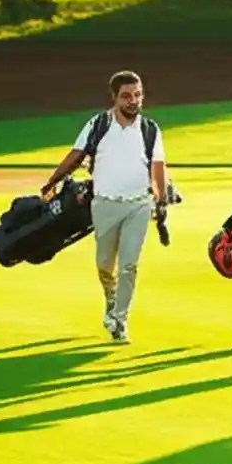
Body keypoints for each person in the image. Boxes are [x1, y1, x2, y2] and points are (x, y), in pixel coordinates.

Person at [41, 70, 168, 343]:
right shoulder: (98, 125)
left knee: (129, 265)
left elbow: (158, 168)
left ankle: (119, 319)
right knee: (104, 265)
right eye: (126, 96)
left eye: (137, 95)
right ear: (114, 97)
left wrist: (161, 200)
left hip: (138, 204)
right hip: (104, 204)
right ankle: (111, 300)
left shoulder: (150, 129)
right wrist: (53, 180)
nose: (133, 101)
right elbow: (76, 156)